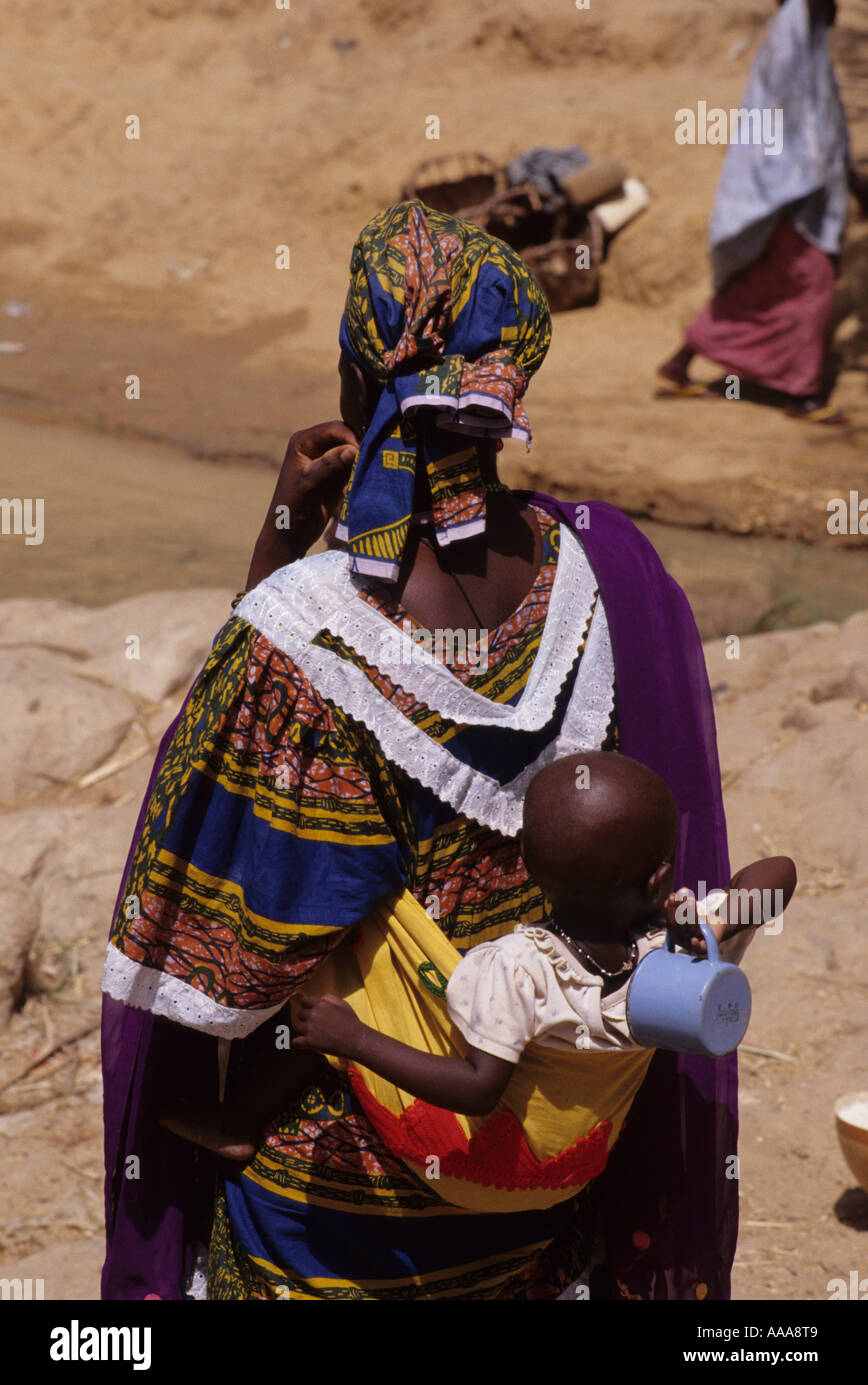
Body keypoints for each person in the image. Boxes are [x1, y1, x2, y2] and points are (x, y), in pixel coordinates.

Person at [102, 199, 738, 1301]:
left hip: (350, 1195)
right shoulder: (607, 575)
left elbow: (216, 940)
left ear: (361, 385)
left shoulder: (303, 632)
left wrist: (286, 544)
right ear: (506, 389)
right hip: (539, 1170)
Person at [158, 753, 795, 1165]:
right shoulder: (674, 952)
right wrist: (721, 914)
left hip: (492, 1164)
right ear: (658, 878)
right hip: (580, 1155)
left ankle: (235, 1120)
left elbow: (478, 1089)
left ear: (529, 870)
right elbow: (781, 872)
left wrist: (355, 1040)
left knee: (333, 970)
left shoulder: (516, 969)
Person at [659, 0, 868, 425]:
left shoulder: (807, 48)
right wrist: (799, 184)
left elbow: (824, 128)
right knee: (814, 284)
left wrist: (853, 184)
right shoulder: (790, 42)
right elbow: (792, 129)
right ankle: (802, 395)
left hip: (795, 194)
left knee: (761, 284)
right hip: (787, 194)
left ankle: (681, 361)